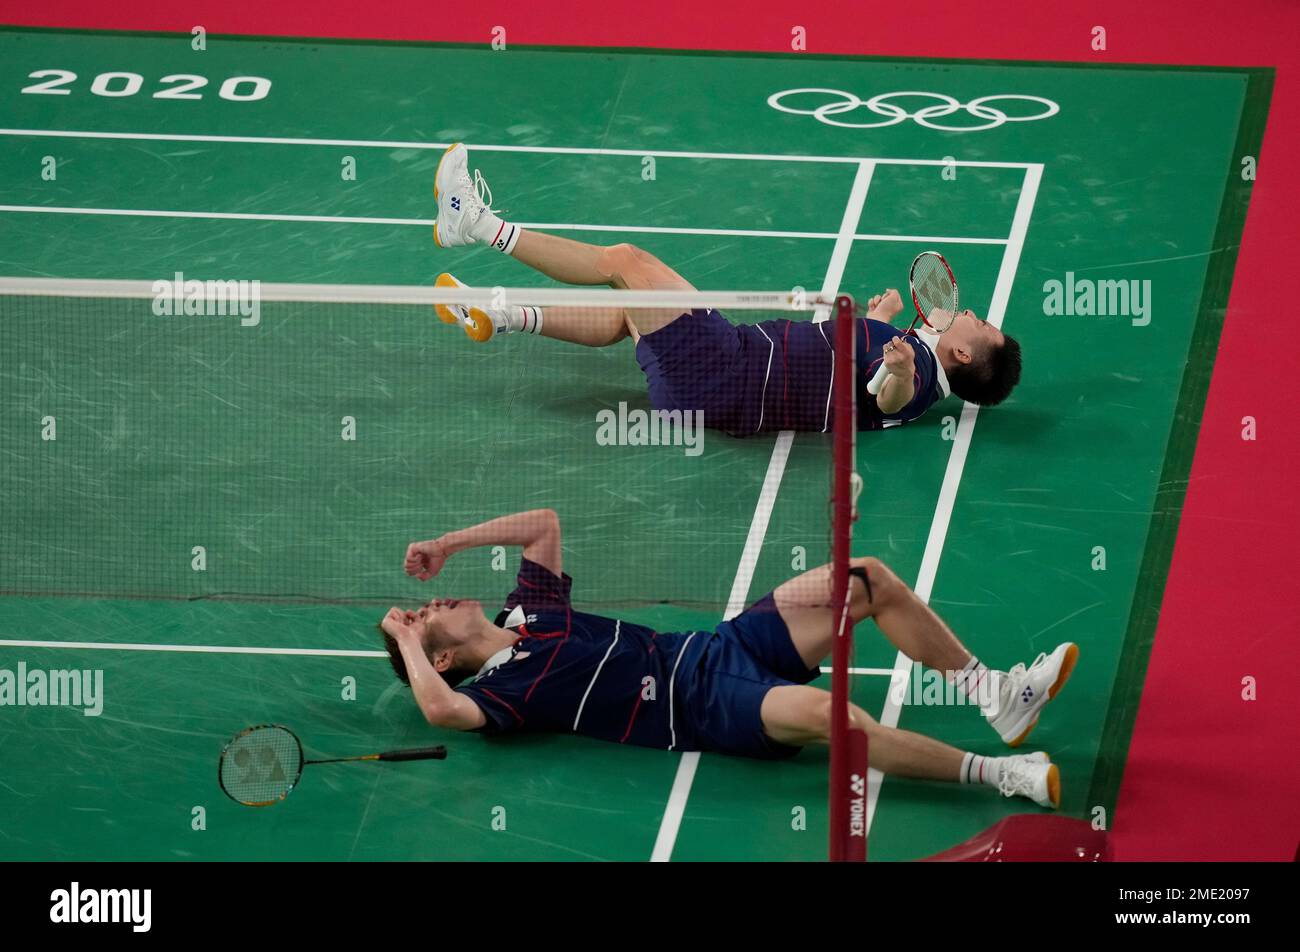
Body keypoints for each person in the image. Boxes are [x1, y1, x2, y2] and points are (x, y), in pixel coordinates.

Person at [378, 508, 1077, 807]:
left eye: (426, 606)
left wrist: (447, 543)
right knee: (841, 720)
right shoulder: (502, 696)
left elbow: (544, 524)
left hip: (722, 646)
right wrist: (406, 637)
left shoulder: (529, 612)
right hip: (707, 709)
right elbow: (440, 711)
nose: (432, 605)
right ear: (440, 659)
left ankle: (997, 695)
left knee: (864, 578)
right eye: (428, 620)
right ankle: (999, 774)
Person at [429, 143, 1021, 437]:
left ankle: (476, 223)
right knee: (629, 310)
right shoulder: (922, 357)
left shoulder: (914, 378)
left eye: (981, 323)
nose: (971, 312)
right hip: (709, 391)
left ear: (964, 354)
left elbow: (891, 395)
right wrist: (884, 323)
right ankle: (499, 315)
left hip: (727, 366)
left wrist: (894, 366)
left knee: (625, 262)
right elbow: (887, 378)